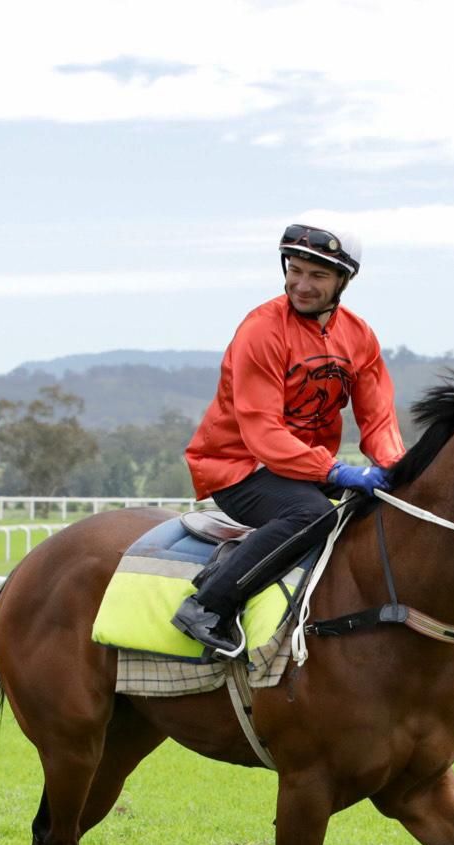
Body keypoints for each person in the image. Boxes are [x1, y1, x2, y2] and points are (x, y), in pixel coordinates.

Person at [172, 221, 406, 655]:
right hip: (239, 466)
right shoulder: (260, 330)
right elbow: (262, 433)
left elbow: (378, 418)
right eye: (294, 270)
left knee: (389, 505)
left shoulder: (359, 336)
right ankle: (207, 606)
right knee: (312, 514)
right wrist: (334, 469)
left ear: (343, 280)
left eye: (316, 276)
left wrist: (396, 468)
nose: (301, 284)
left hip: (304, 465)